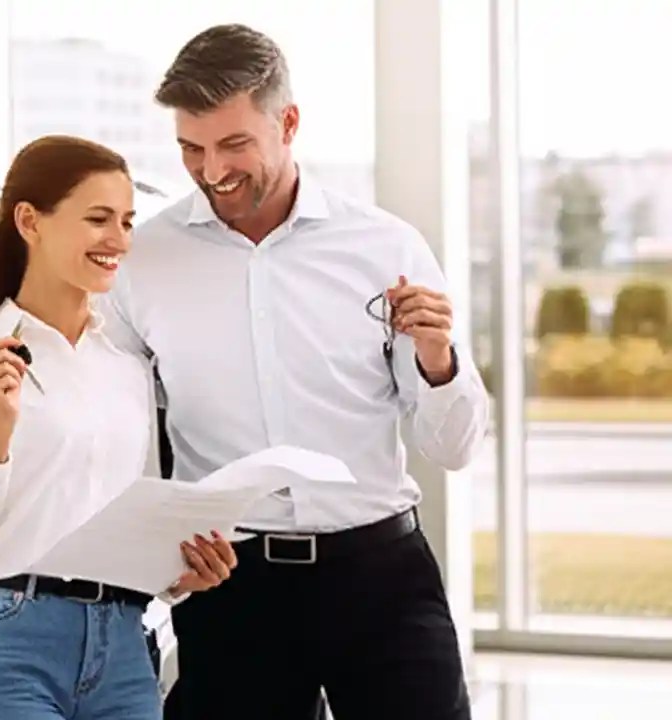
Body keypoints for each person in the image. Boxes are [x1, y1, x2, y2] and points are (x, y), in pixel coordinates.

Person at [99, 24, 491, 720]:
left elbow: (453, 447)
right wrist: (159, 550)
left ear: (289, 122)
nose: (212, 169)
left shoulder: (383, 247)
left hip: (381, 580)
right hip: (232, 591)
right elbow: (120, 441)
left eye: (234, 145)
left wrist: (439, 361)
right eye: (192, 148)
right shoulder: (144, 261)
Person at [0, 134, 238, 720]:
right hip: (14, 637)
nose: (118, 240)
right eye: (98, 219)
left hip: (123, 641)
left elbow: (131, 515)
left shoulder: (127, 368)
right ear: (30, 221)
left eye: (127, 221)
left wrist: (180, 570)